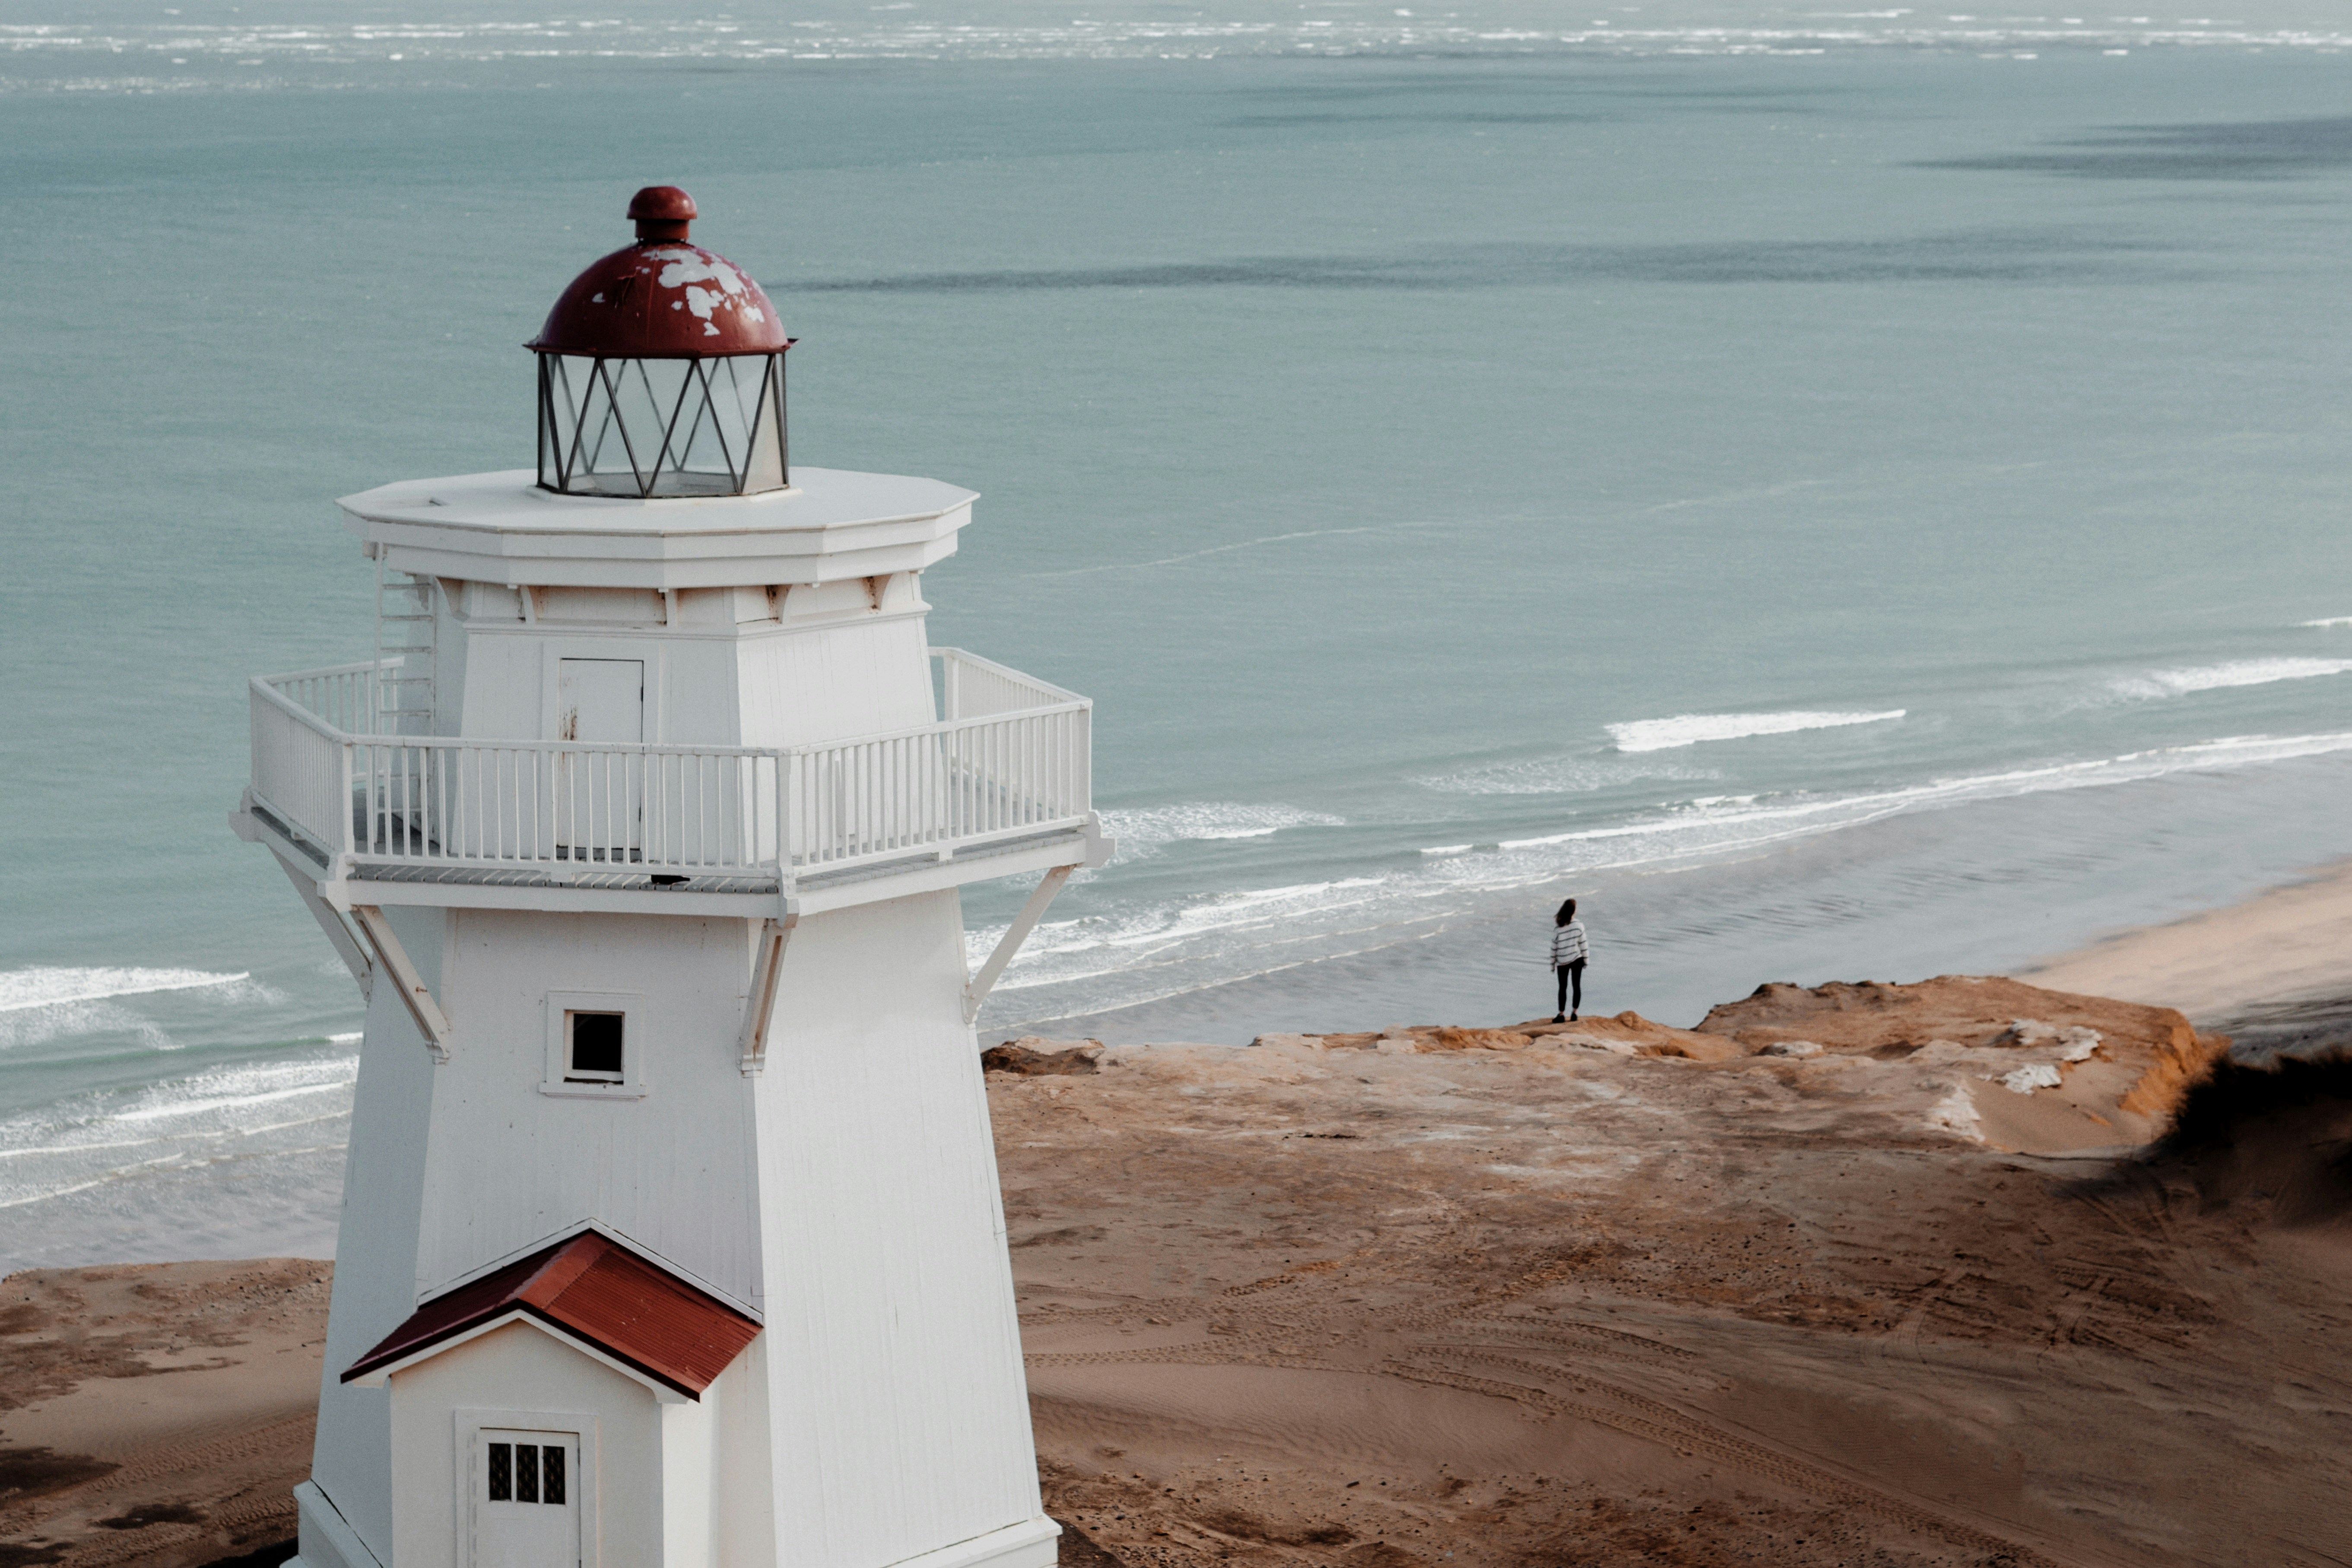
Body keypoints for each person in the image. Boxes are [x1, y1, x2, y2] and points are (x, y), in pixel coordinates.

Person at [1551, 898, 1588, 1022]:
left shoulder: (1558, 928)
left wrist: (1552, 964)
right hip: (1577, 959)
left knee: (1563, 988)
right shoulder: (1579, 926)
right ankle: (1574, 1013)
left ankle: (1561, 1014)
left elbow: (1554, 948)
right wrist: (1586, 960)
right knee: (1576, 986)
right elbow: (1584, 944)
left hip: (1562, 961)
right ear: (1574, 911)